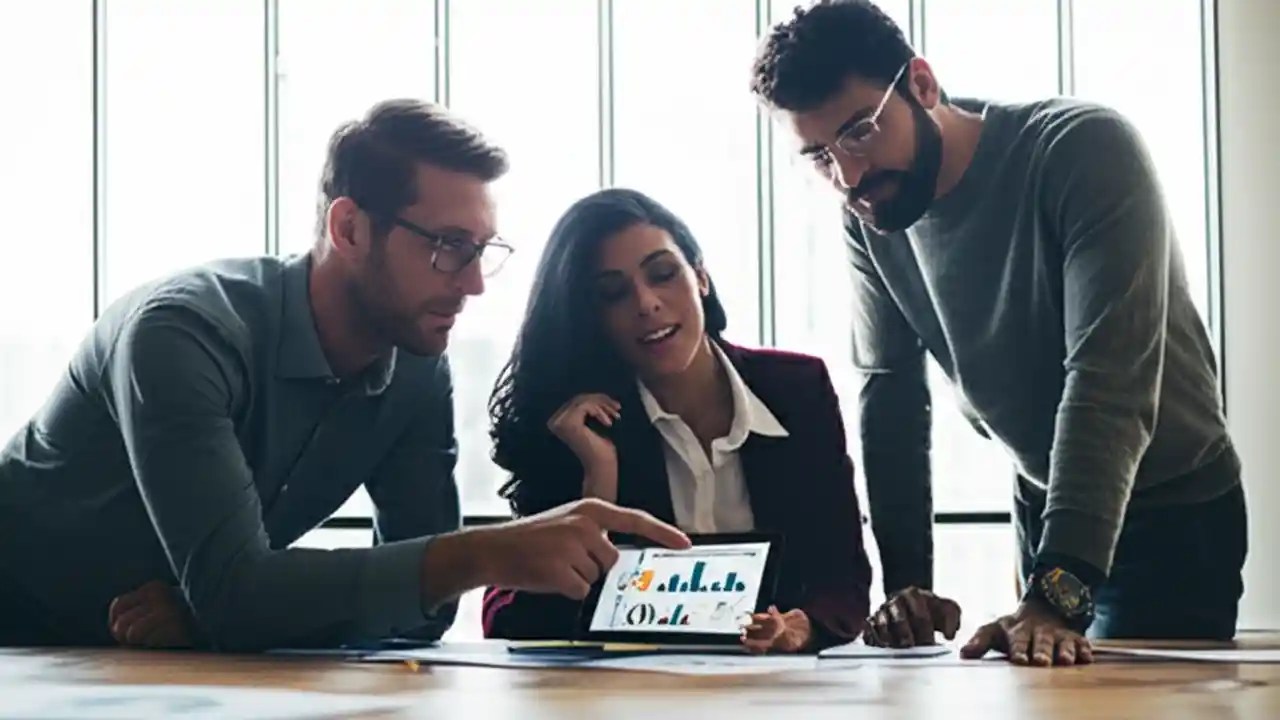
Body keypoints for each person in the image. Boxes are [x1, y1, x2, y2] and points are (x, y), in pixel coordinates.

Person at [0, 99, 688, 651]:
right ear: (351, 228)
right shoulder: (183, 334)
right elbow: (245, 595)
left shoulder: (417, 366)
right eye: (450, 247)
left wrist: (230, 614)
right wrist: (486, 553)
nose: (476, 284)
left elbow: (423, 615)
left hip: (128, 668)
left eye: (483, 251)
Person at [749, 0, 1246, 666]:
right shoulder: (872, 212)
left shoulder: (1083, 150)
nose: (850, 177)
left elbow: (1109, 382)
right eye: (819, 158)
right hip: (1045, 502)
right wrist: (908, 587)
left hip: (1172, 507)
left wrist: (1055, 595)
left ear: (922, 85)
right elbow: (889, 393)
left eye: (860, 132)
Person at [481, 188, 873, 653]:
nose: (646, 303)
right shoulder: (578, 426)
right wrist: (598, 486)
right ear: (593, 318)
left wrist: (799, 628)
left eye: (663, 274)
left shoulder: (798, 388)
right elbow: (517, 621)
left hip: (775, 690)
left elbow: (842, 579)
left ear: (701, 277)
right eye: (613, 293)